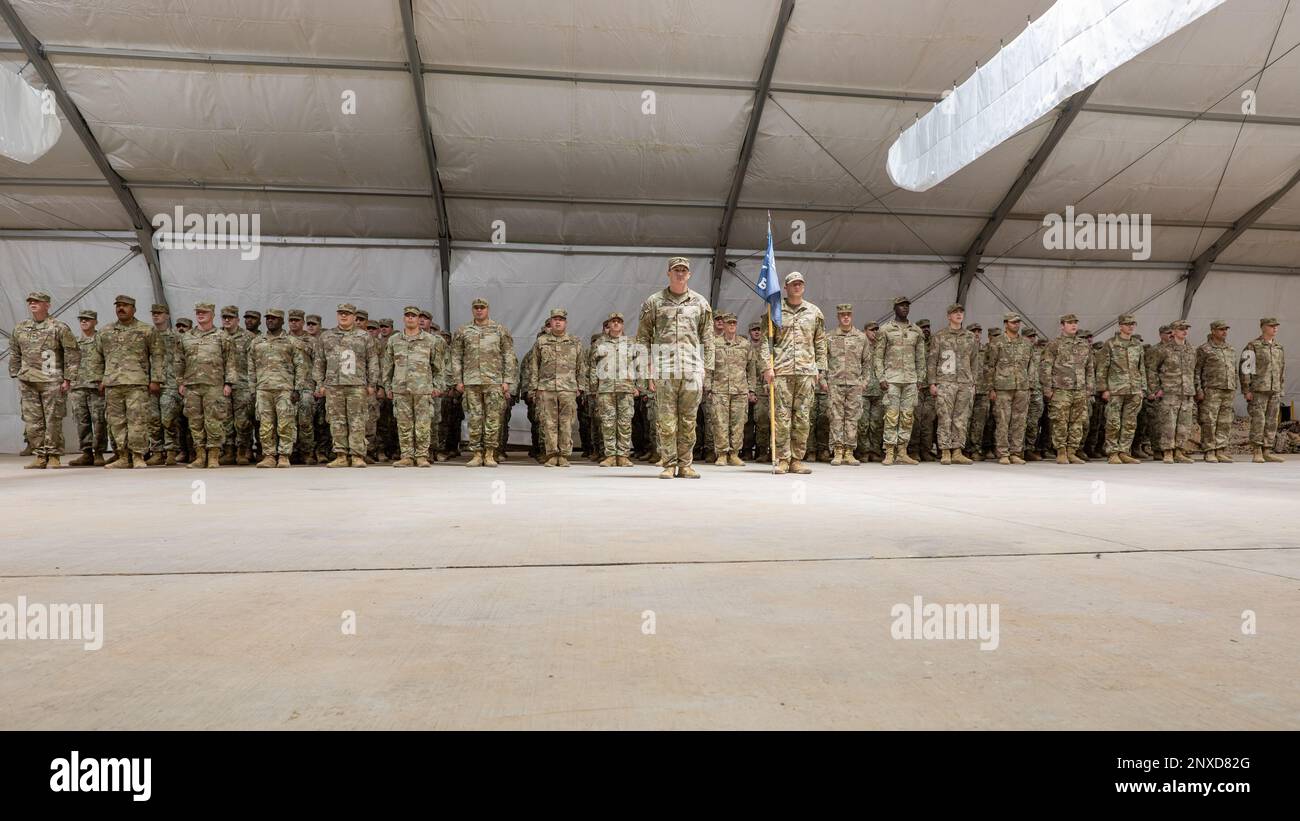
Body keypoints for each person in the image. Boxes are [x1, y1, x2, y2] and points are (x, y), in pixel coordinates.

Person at [636, 256, 715, 479]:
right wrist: (647, 369)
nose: (680, 274)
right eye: (676, 270)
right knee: (666, 420)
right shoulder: (654, 302)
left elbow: (707, 338)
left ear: (689, 274)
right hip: (664, 369)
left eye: (684, 270)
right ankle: (669, 464)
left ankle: (685, 464)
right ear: (668, 273)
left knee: (689, 419)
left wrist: (706, 369)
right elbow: (642, 337)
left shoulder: (700, 303)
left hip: (692, 369)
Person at [759, 271, 827, 475]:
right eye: (793, 284)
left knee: (803, 417)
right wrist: (767, 367)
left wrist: (820, 369)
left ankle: (797, 459)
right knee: (781, 416)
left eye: (800, 284)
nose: (797, 287)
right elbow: (765, 341)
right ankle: (782, 458)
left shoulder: (814, 312)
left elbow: (820, 342)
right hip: (782, 371)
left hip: (806, 372)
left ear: (803, 286)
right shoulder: (775, 311)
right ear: (785, 288)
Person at [89, 295, 163, 469]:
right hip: (113, 383)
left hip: (137, 383)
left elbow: (158, 356)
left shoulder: (146, 330)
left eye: (125, 306)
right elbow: (96, 357)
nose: (121, 308)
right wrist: (99, 379)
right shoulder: (105, 331)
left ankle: (138, 456)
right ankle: (122, 456)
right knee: (116, 422)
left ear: (134, 309)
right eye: (118, 306)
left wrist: (156, 380)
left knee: (137, 421)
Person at [8, 290, 79, 468]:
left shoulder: (58, 327)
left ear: (47, 305)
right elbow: (15, 351)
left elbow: (72, 353)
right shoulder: (21, 328)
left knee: (52, 420)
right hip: (28, 381)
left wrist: (68, 378)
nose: (33, 304)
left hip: (51, 381)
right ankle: (40, 455)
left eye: (37, 301)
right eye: (31, 301)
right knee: (33, 422)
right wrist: (16, 372)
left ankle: (53, 455)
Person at [451, 298, 516, 467]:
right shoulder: (464, 331)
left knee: (493, 418)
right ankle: (477, 453)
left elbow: (508, 356)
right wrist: (458, 379)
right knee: (475, 418)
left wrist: (507, 380)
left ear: (488, 309)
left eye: (482, 308)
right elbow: (456, 356)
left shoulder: (499, 330)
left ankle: (489, 453)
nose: (479, 310)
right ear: (472, 310)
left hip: (493, 381)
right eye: (476, 308)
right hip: (471, 381)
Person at [315, 303, 378, 468]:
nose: (344, 316)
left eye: (347, 314)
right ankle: (341, 454)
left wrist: (372, 383)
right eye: (341, 313)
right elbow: (319, 362)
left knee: (357, 420)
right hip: (334, 385)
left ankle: (357, 455)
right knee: (337, 421)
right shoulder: (326, 336)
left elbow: (372, 361)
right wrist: (320, 384)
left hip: (357, 385)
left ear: (354, 316)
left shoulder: (364, 336)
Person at [382, 306, 446, 467]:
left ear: (419, 319)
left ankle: (422, 455)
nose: (410, 318)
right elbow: (388, 367)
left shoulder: (431, 341)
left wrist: (438, 386)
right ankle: (407, 455)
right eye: (407, 316)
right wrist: (387, 387)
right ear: (404, 318)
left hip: (423, 389)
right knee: (404, 423)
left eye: (414, 316)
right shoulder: (394, 340)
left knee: (423, 424)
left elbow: (438, 367)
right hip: (401, 389)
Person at [176, 303, 235, 469]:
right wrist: (180, 382)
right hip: (192, 385)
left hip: (214, 385)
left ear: (212, 314)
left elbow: (230, 361)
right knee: (195, 422)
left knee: (214, 420)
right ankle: (200, 455)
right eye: (198, 312)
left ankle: (214, 456)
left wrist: (229, 383)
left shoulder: (222, 336)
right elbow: (179, 360)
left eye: (204, 312)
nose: (200, 315)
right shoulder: (186, 337)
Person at [526, 308, 587, 467]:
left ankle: (564, 455)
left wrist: (580, 387)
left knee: (566, 423)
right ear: (550, 322)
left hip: (568, 389)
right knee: (549, 423)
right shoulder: (541, 342)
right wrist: (534, 388)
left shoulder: (575, 342)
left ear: (565, 322)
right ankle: (552, 454)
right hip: (546, 388)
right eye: (555, 319)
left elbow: (582, 366)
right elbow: (534, 367)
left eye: (561, 319)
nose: (558, 322)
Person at [248, 309, 307, 468]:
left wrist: (297, 389)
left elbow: (300, 367)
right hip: (263, 389)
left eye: (274, 318)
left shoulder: (292, 342)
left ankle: (284, 455)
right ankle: (269, 455)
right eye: (268, 318)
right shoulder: (257, 342)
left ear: (282, 321)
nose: (270, 321)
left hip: (285, 389)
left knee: (285, 423)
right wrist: (253, 389)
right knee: (265, 424)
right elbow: (251, 367)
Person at [873, 296, 925, 466]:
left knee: (907, 416)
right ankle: (889, 451)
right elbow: (878, 356)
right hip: (892, 379)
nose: (904, 308)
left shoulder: (916, 330)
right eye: (901, 306)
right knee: (891, 416)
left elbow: (920, 357)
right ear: (894, 308)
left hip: (910, 379)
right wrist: (881, 377)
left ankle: (902, 451)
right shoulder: (885, 330)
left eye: (906, 306)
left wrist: (920, 378)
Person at [589, 311, 642, 467]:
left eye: (619, 321)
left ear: (622, 324)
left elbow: (638, 366)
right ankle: (611, 455)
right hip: (605, 389)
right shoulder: (599, 344)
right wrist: (594, 388)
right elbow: (593, 367)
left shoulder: (631, 343)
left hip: (626, 388)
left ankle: (623, 455)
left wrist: (637, 386)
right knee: (608, 422)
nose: (616, 324)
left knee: (625, 422)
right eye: (613, 321)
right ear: (609, 324)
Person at [927, 303, 978, 465]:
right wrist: (932, 382)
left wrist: (973, 382)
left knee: (961, 418)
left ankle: (957, 450)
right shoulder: (940, 336)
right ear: (949, 316)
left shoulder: (970, 337)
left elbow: (975, 361)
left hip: (964, 382)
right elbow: (932, 360)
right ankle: (945, 450)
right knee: (945, 417)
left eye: (961, 312)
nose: (958, 315)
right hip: (945, 382)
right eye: (955, 312)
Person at [1041, 313, 1094, 465]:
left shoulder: (1084, 345)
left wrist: (1089, 388)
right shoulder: (1054, 344)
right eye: (1069, 323)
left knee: (1078, 422)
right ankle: (1061, 451)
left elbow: (1090, 368)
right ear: (1062, 326)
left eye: (1075, 322)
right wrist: (1047, 388)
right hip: (1060, 389)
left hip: (1080, 389)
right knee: (1060, 420)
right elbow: (1045, 367)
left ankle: (1072, 451)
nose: (1073, 325)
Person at [708, 313, 757, 466]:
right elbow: (709, 368)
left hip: (740, 390)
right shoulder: (715, 344)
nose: (731, 326)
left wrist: (751, 389)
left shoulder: (744, 344)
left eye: (734, 323)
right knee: (720, 422)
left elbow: (751, 368)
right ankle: (722, 454)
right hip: (719, 389)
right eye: (729, 323)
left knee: (738, 423)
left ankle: (734, 453)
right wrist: (708, 387)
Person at [1097, 315, 1146, 464]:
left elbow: (1141, 368)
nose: (1131, 327)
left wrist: (1143, 388)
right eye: (1127, 324)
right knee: (1113, 422)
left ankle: (1124, 451)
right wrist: (1103, 389)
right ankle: (1112, 452)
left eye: (1133, 324)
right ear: (1120, 326)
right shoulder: (1110, 344)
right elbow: (1102, 368)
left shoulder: (1137, 345)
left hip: (1134, 389)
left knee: (1130, 423)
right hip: (1116, 389)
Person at [1147, 319, 1197, 463]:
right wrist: (1156, 389)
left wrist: (1194, 388)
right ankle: (1168, 451)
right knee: (1168, 423)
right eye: (1181, 328)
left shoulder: (1191, 350)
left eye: (1186, 328)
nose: (1184, 331)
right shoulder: (1163, 350)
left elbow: (1195, 371)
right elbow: (1151, 370)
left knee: (1184, 424)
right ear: (1173, 331)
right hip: (1169, 391)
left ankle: (1180, 451)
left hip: (1187, 392)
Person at [986, 313, 1033, 465]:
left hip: (1022, 387)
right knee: (1003, 421)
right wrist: (990, 388)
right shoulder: (997, 342)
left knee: (1019, 421)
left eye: (1018, 322)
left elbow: (1031, 365)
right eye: (1013, 323)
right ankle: (1003, 453)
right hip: (1002, 387)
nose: (1016, 325)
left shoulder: (1026, 343)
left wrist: (1029, 385)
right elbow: (990, 366)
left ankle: (1015, 452)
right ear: (1005, 324)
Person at [826, 304, 868, 466]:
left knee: (852, 417)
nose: (845, 317)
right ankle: (837, 450)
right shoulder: (829, 337)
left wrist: (864, 381)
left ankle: (849, 451)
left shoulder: (860, 337)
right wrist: (824, 381)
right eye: (842, 314)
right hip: (835, 383)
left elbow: (867, 362)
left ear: (851, 316)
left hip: (854, 384)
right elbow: (823, 361)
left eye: (848, 314)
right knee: (836, 417)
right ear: (838, 317)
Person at [1241, 317, 1286, 463]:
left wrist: (1281, 389)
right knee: (1258, 421)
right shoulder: (1253, 346)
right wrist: (1246, 390)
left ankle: (1267, 450)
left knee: (1272, 421)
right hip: (1259, 390)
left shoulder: (1279, 347)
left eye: (1276, 326)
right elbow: (1245, 370)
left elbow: (1282, 370)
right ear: (1263, 327)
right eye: (1272, 326)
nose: (1275, 328)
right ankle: (1257, 451)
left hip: (1274, 390)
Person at [68, 309, 108, 466]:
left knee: (99, 421)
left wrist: (105, 379)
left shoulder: (102, 340)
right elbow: (69, 362)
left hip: (96, 386)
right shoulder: (75, 342)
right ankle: (86, 452)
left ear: (95, 322)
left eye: (88, 319)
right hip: (78, 386)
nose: (84, 322)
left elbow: (110, 360)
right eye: (82, 320)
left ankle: (99, 453)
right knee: (81, 421)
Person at [1195, 320, 1238, 463]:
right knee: (1209, 421)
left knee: (1225, 422)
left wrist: (1234, 385)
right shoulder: (1204, 349)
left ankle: (1220, 449)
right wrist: (1198, 390)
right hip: (1211, 390)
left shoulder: (1230, 349)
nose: (1224, 332)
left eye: (1226, 329)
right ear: (1213, 331)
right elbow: (1196, 371)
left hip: (1228, 389)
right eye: (1221, 329)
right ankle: (1209, 450)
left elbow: (1234, 369)